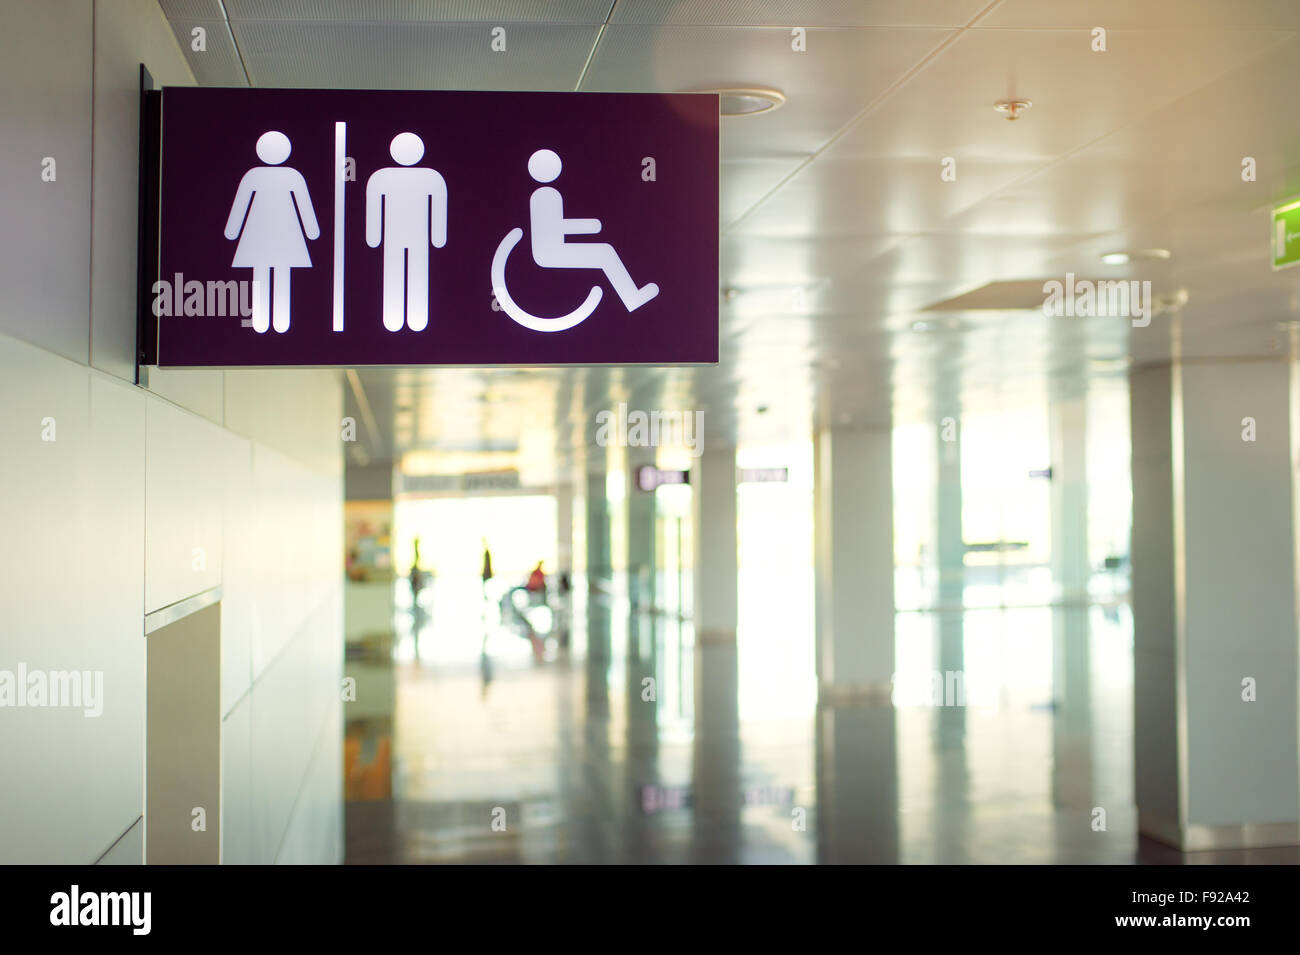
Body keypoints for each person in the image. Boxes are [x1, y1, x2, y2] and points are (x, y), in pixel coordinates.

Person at [525, 148, 658, 312]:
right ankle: (632, 297)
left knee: (605, 251)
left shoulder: (547, 194)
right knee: (605, 252)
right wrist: (591, 225)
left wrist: (590, 226)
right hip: (550, 253)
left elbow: (556, 229)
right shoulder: (546, 196)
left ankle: (631, 297)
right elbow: (554, 229)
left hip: (555, 249)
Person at [223, 130, 320, 334]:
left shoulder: (255, 176)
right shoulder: (292, 176)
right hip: (285, 235)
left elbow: (240, 207)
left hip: (259, 235)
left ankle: (266, 320)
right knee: (279, 274)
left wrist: (232, 231)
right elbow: (304, 208)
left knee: (263, 273)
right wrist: (312, 231)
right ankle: (278, 320)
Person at [365, 132, 448, 332]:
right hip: (409, 235)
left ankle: (405, 318)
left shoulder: (381, 177)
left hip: (401, 235)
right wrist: (438, 238)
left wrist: (373, 237)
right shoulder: (431, 177)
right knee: (407, 272)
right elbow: (374, 208)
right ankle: (401, 318)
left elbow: (438, 208)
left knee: (406, 272)